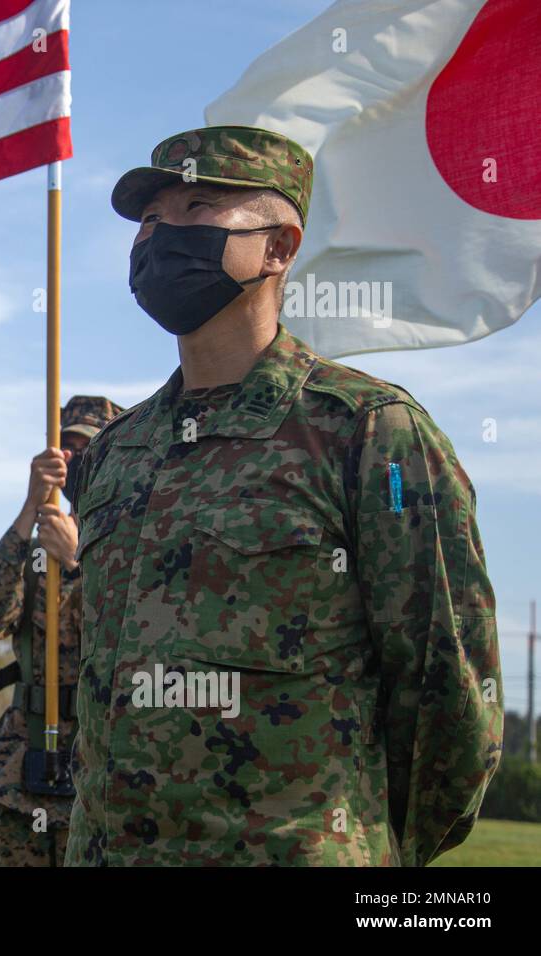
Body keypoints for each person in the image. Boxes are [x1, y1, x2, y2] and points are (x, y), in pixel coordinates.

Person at [68, 125, 501, 866]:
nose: (161, 236)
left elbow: (449, 696)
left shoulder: (368, 432)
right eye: (149, 220)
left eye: (199, 208)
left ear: (279, 247)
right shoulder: (117, 449)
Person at [0, 396, 120, 867]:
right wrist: (30, 508)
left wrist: (77, 560)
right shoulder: (37, 550)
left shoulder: (134, 543)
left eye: (84, 446)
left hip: (101, 771)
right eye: (63, 446)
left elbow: (140, 630)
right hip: (22, 769)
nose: (70, 457)